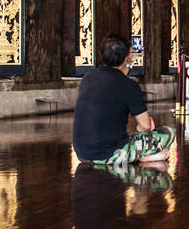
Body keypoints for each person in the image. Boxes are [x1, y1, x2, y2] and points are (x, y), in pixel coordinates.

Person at [73, 34, 175, 166]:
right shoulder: (128, 85)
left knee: (130, 137)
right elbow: (145, 126)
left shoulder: (88, 78)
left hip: (82, 153)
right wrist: (140, 129)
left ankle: (143, 155)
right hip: (109, 154)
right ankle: (145, 157)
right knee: (168, 132)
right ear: (126, 57)